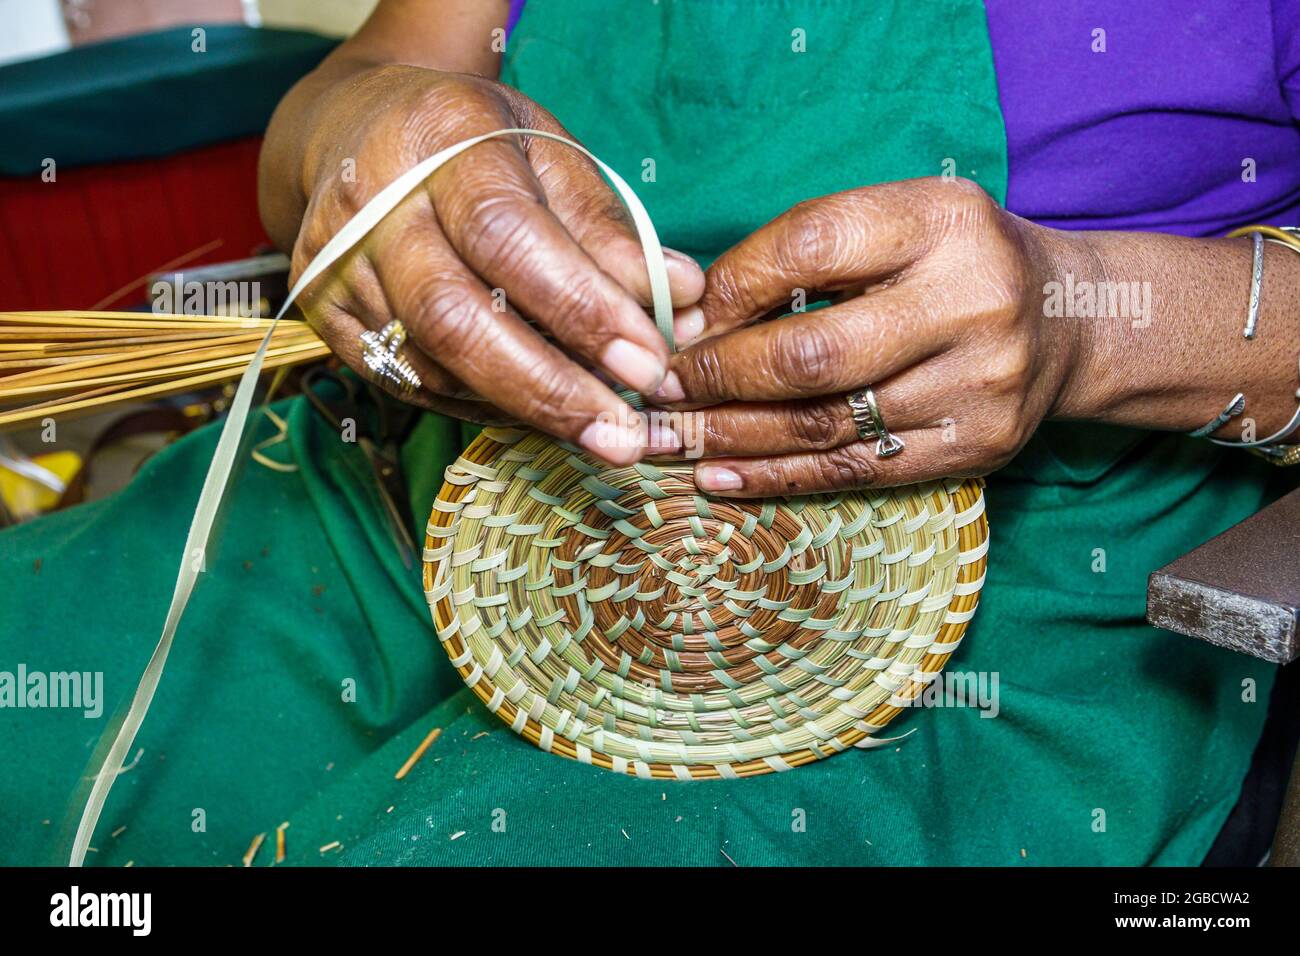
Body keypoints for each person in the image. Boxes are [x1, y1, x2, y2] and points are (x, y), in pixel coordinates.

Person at [2, 0, 1297, 866]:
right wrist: (361, 136)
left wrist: (1091, 323)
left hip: (1013, 598)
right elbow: (348, 88)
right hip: (429, 491)